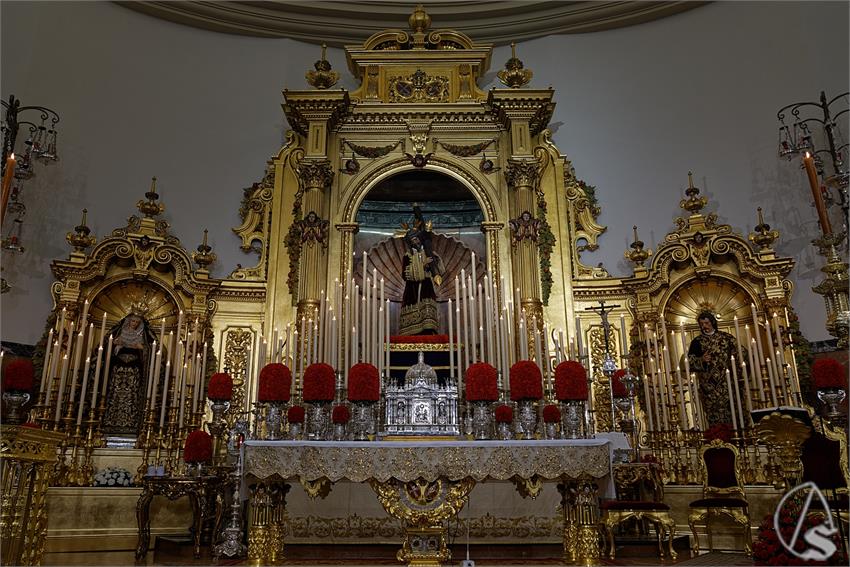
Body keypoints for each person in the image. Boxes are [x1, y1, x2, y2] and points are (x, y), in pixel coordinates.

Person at [102, 312, 156, 436]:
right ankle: (111, 421)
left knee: (132, 396)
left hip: (134, 372)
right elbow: (107, 348)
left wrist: (142, 348)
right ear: (128, 321)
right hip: (118, 371)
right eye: (133, 321)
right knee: (114, 395)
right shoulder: (119, 332)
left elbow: (149, 350)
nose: (135, 324)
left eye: (137, 322)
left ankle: (132, 422)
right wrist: (115, 344)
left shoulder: (142, 335)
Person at [687, 311, 740, 427]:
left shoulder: (727, 338)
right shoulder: (696, 342)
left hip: (728, 385)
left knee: (733, 413)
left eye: (706, 323)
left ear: (712, 322)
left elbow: (740, 355)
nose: (704, 326)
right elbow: (689, 362)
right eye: (701, 324)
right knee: (713, 415)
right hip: (709, 387)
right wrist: (701, 360)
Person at [399, 230, 443, 335]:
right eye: (413, 240)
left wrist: (437, 260)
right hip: (412, 289)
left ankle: (428, 328)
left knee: (427, 313)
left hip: (426, 286)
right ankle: (412, 330)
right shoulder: (408, 256)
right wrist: (422, 264)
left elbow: (439, 271)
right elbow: (406, 274)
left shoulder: (428, 252)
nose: (416, 241)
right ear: (410, 242)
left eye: (417, 238)